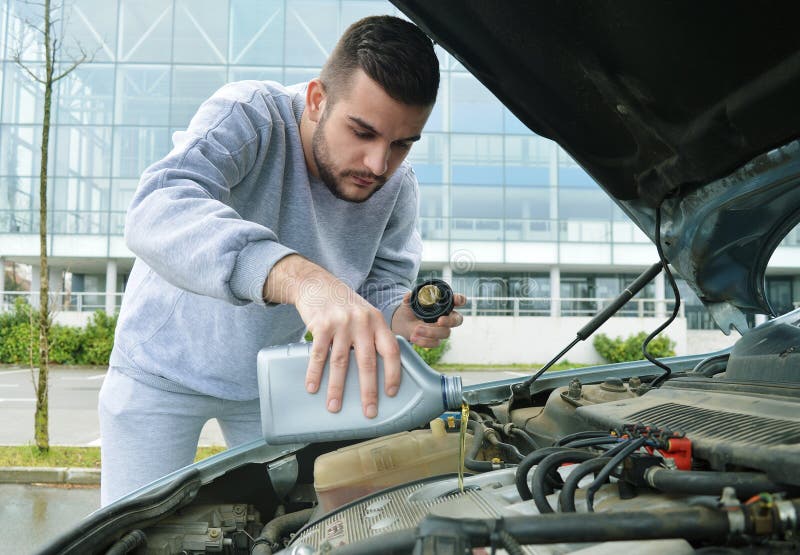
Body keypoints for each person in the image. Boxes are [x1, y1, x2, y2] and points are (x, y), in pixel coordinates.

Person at [98, 15, 466, 506]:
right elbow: (156, 208)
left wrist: (398, 315)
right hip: (158, 369)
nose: (378, 165)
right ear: (317, 100)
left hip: (271, 384)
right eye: (362, 132)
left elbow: (378, 287)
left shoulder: (396, 186)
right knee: (131, 532)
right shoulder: (249, 115)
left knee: (288, 528)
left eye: (401, 144)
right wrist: (300, 277)